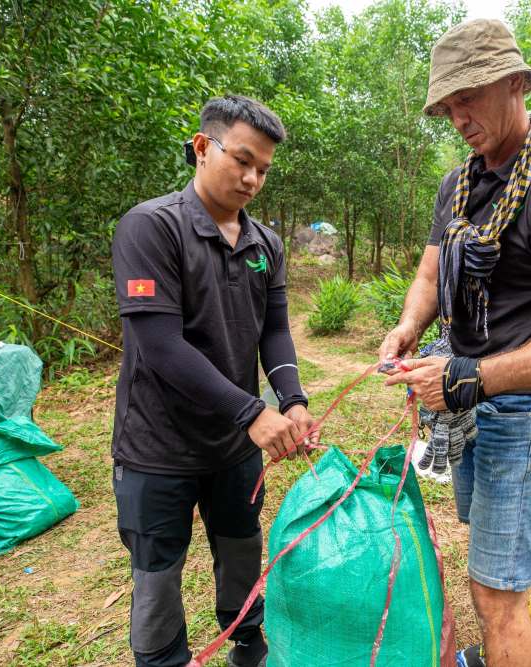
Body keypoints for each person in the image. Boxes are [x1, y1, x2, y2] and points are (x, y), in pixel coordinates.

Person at [381, 19, 531, 667]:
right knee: (482, 550)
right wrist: (407, 327)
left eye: (469, 98)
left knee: (497, 589)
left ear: (515, 83)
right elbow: (430, 272)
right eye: (448, 106)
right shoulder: (457, 187)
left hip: (520, 412)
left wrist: (472, 377)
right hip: (461, 400)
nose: (458, 116)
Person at [111, 95, 316, 667]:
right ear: (203, 147)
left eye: (264, 170)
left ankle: (247, 645)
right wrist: (253, 413)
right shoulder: (151, 228)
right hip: (158, 447)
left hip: (233, 450)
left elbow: (273, 332)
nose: (252, 179)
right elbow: (161, 347)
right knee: (157, 580)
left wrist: (292, 399)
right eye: (243, 161)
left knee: (241, 551)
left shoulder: (264, 244)